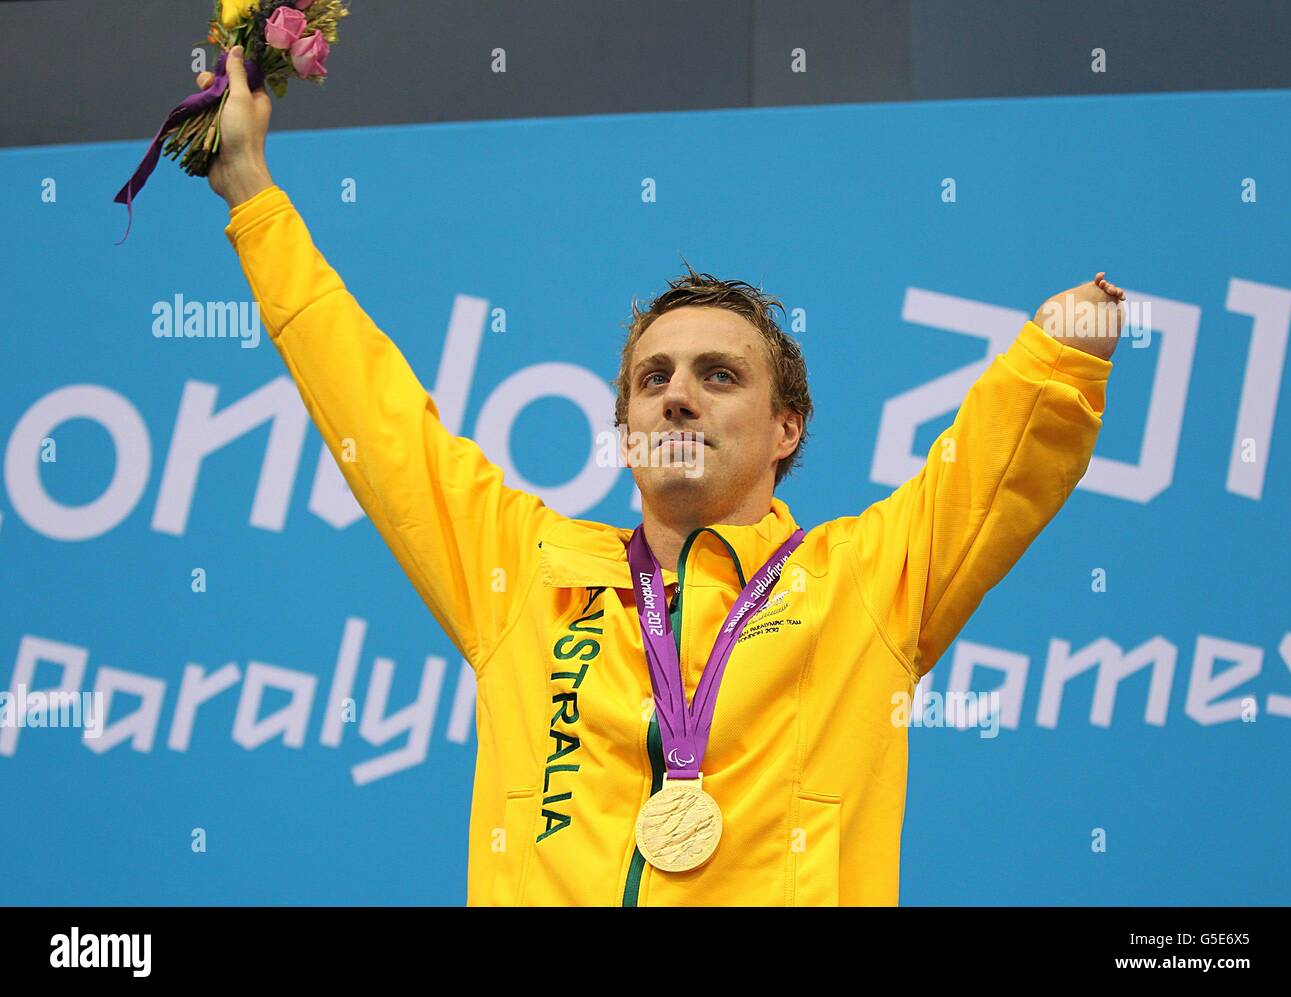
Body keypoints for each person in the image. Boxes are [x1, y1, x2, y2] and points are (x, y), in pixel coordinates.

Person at [200, 47, 1125, 906]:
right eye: (654, 379)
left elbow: (996, 473)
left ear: (784, 429)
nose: (678, 396)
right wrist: (252, 195)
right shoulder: (523, 573)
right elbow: (380, 419)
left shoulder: (866, 582)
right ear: (626, 427)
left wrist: (1060, 359)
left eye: (719, 375)